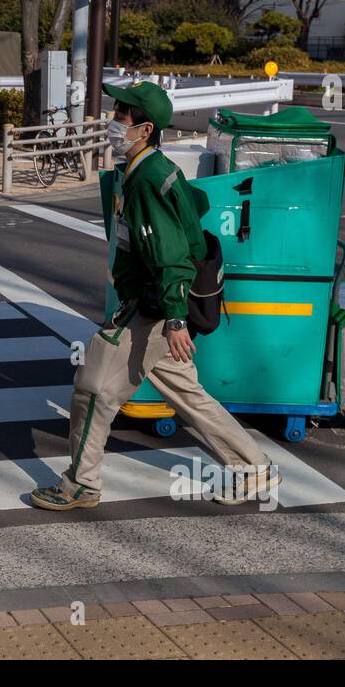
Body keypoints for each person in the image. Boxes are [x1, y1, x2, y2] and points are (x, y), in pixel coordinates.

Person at [30, 80, 280, 510]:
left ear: (144, 130)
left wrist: (176, 318)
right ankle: (253, 466)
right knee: (186, 394)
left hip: (153, 306)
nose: (113, 121)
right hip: (160, 303)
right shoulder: (154, 169)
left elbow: (173, 258)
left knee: (93, 389)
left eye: (121, 115)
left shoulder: (148, 178)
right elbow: (193, 211)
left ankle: (80, 483)